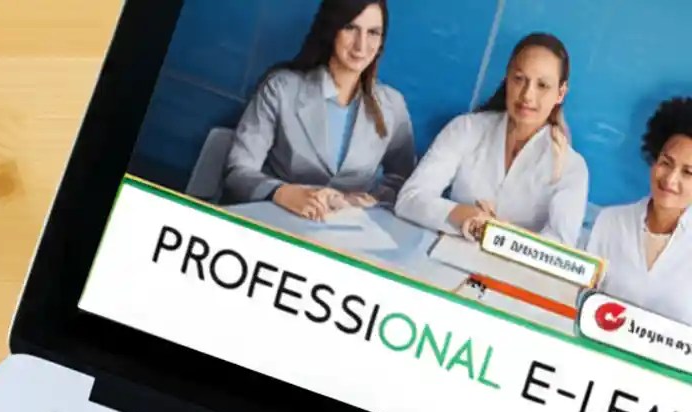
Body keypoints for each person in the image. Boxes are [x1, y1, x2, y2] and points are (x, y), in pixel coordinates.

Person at [221, 0, 416, 220]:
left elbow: (403, 181)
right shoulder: (281, 88)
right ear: (331, 29)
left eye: (373, 32)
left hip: (345, 235)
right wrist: (281, 192)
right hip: (275, 221)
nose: (361, 45)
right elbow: (238, 170)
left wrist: (364, 200)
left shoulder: (392, 106)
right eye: (350, 28)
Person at [394, 33, 589, 246]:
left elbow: (560, 247)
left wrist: (498, 233)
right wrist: (465, 215)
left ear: (560, 93)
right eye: (519, 79)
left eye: (542, 85)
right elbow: (410, 199)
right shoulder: (466, 129)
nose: (527, 96)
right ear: (507, 79)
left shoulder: (572, 168)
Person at [584, 97, 692, 325]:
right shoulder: (610, 222)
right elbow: (582, 298)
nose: (671, 179)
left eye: (688, 173)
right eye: (666, 163)